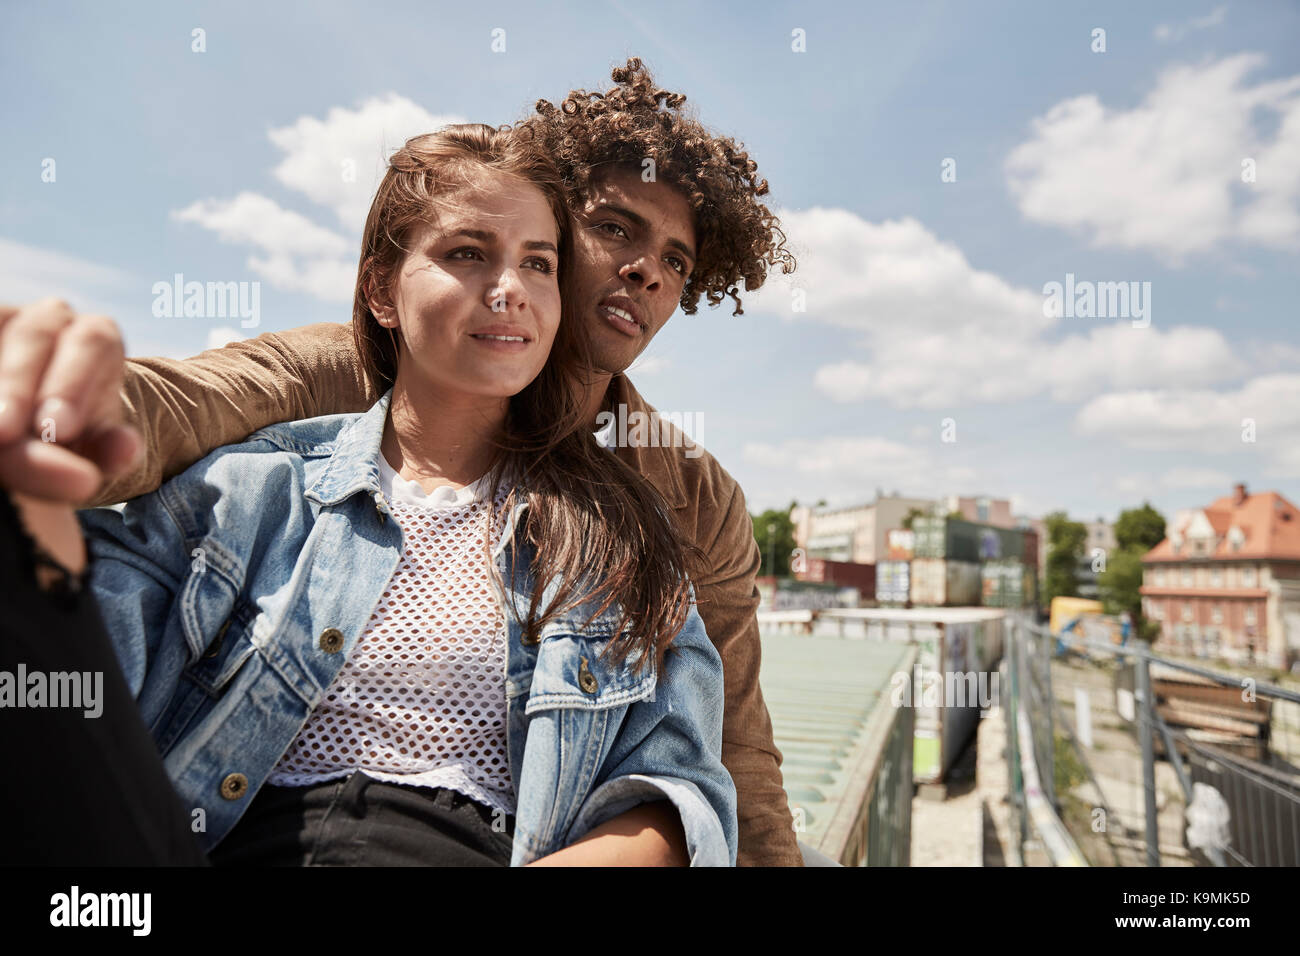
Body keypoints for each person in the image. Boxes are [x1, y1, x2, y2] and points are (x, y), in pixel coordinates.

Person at [0, 57, 802, 866]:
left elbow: (729, 755)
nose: (647, 270)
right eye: (617, 228)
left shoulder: (684, 502)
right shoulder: (328, 393)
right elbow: (186, 404)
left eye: (677, 261)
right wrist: (53, 410)